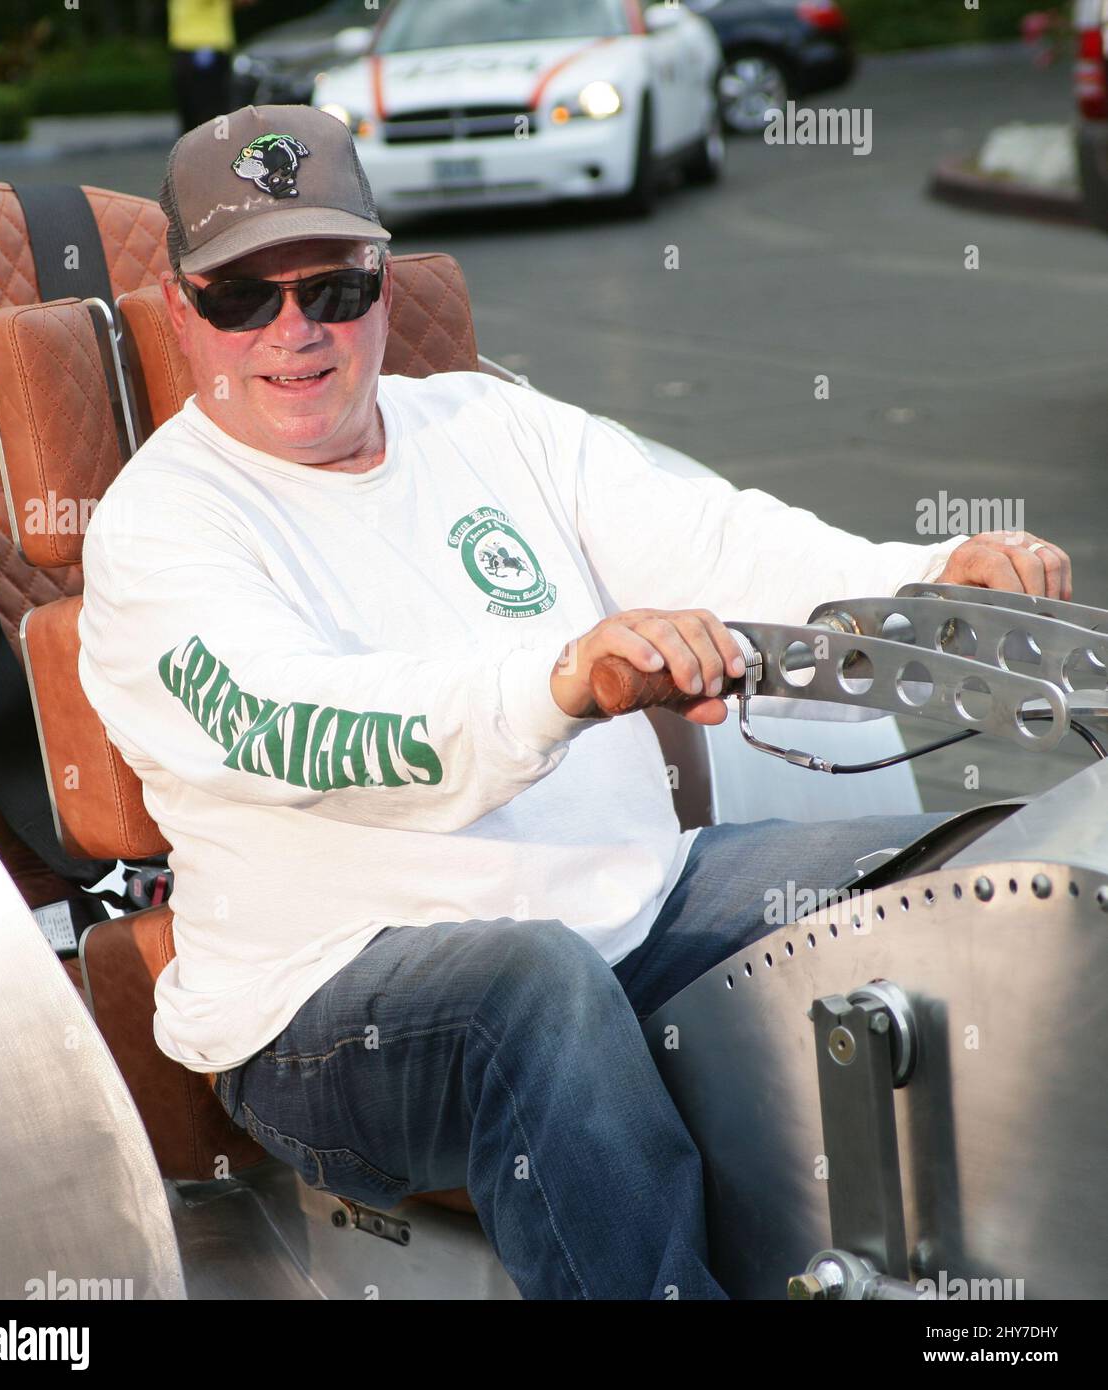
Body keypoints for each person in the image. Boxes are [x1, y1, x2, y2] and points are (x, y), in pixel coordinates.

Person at [78, 104, 1074, 1300]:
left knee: (974, 872)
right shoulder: (159, 527)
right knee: (531, 991)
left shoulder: (491, 424)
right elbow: (305, 724)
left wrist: (926, 581)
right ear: (185, 309)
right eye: (245, 296)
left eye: (333, 286)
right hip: (321, 1006)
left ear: (382, 285)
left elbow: (721, 539)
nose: (295, 330)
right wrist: (558, 682)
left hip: (631, 901)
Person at [167, 0, 256, 134]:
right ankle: (213, 152)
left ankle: (193, 152)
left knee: (193, 116)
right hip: (207, 46)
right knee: (213, 115)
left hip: (187, 46)